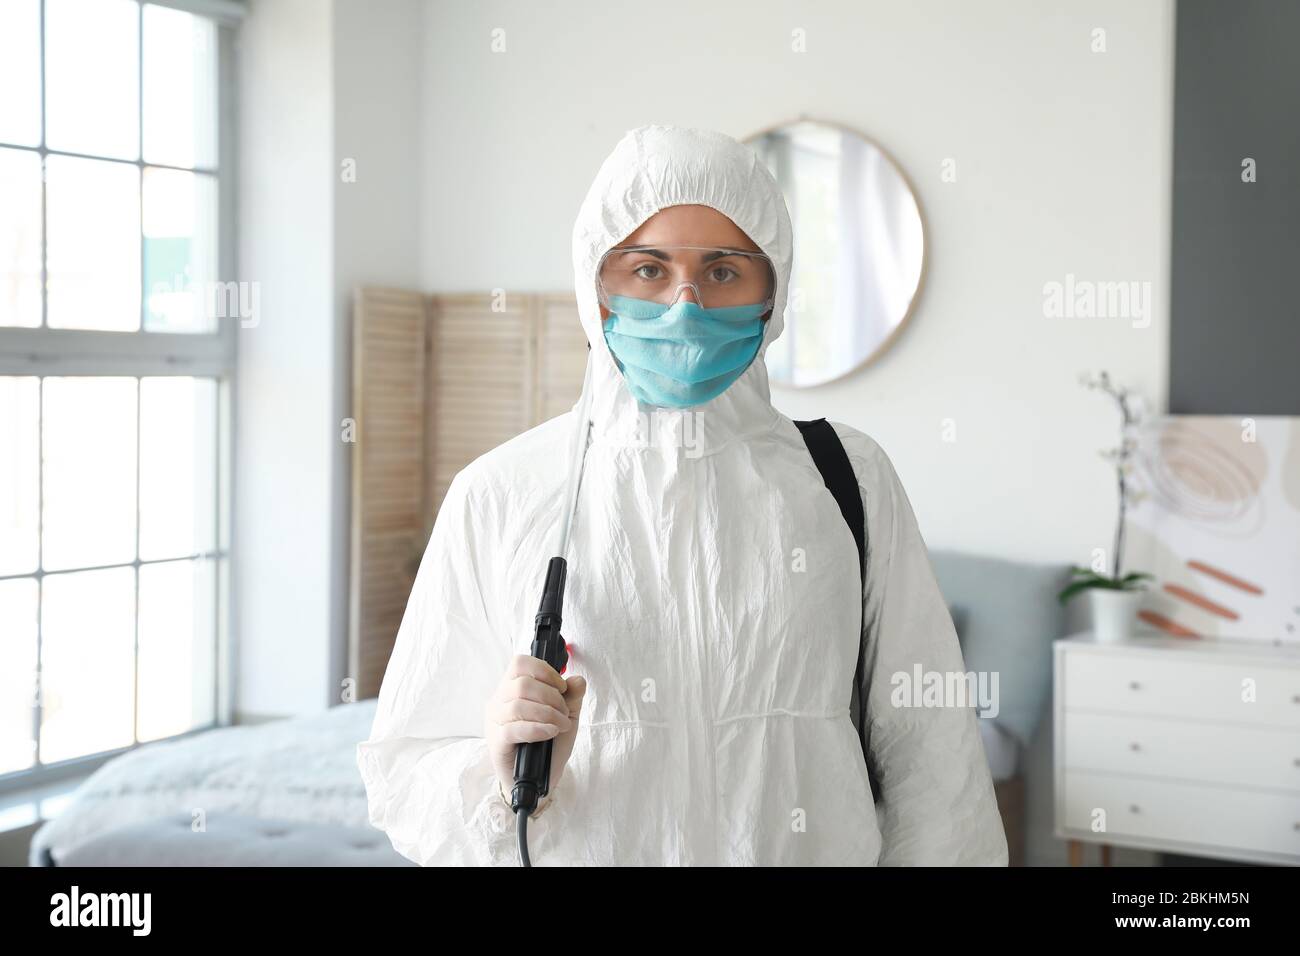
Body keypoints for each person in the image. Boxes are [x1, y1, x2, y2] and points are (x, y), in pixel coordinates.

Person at [357, 125, 1008, 866]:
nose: (685, 305)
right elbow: (405, 772)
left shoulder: (847, 478)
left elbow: (934, 761)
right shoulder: (501, 493)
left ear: (774, 290)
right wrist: (497, 775)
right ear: (595, 283)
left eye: (725, 271)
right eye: (647, 269)